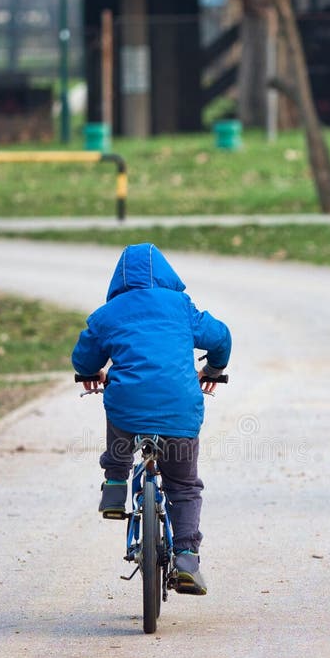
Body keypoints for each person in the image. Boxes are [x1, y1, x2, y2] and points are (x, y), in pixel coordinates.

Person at [71, 243, 231, 596]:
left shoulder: (108, 314)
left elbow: (83, 354)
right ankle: (187, 557)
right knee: (184, 486)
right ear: (166, 275)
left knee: (120, 407)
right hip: (179, 409)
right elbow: (221, 337)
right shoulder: (181, 307)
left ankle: (114, 483)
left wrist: (90, 372)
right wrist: (214, 369)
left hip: (128, 407)